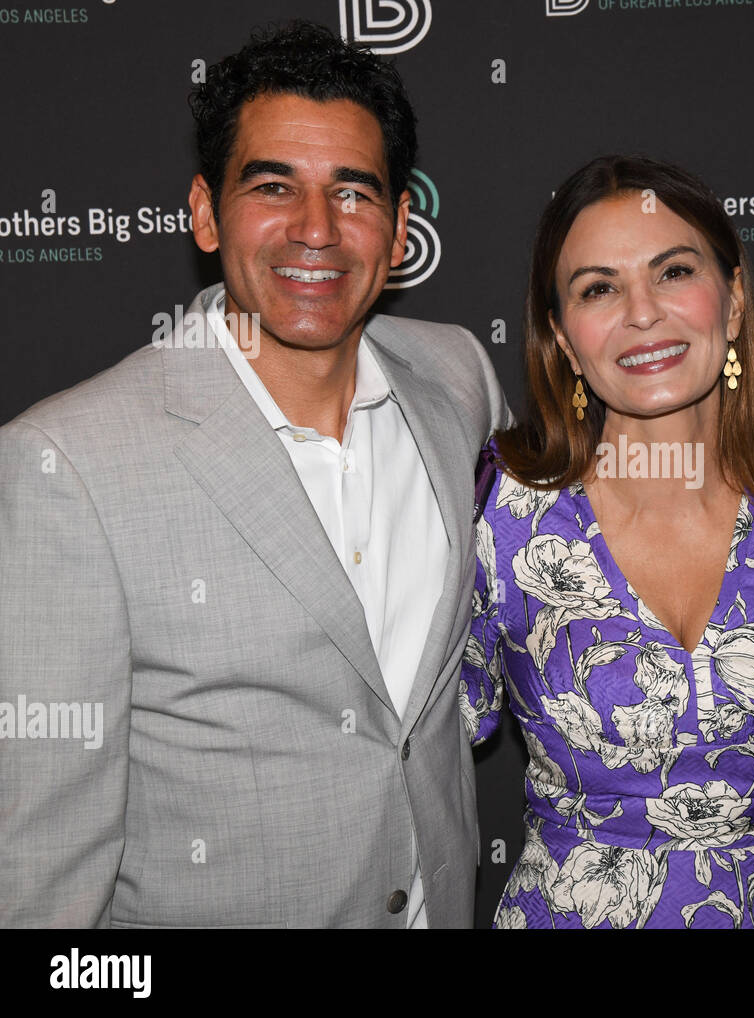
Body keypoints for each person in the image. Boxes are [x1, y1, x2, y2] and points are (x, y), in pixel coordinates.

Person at [0, 22, 509, 928]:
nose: (316, 229)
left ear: (398, 230)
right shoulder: (68, 464)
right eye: (273, 185)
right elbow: (40, 862)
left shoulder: (458, 378)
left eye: (353, 193)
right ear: (205, 212)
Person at [460, 155, 754, 929]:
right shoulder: (502, 514)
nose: (642, 313)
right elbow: (420, 740)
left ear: (733, 302)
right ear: (564, 341)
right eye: (599, 288)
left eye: (673, 272)